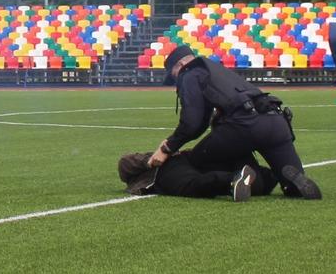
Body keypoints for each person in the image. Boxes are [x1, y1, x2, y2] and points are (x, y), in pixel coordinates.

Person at [149, 44, 322, 200]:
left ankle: (243, 178)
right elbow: (200, 123)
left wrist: (168, 148)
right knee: (290, 185)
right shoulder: (217, 70)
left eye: (173, 76)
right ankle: (291, 181)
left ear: (179, 66)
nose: (174, 81)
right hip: (276, 122)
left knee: (198, 159)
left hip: (245, 126)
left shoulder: (189, 74)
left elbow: (192, 123)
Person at [117, 148, 261, 201]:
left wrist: (150, 162)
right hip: (186, 159)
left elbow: (124, 163)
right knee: (209, 172)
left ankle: (232, 180)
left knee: (192, 184)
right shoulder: (138, 180)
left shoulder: (142, 172)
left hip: (165, 170)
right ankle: (267, 177)